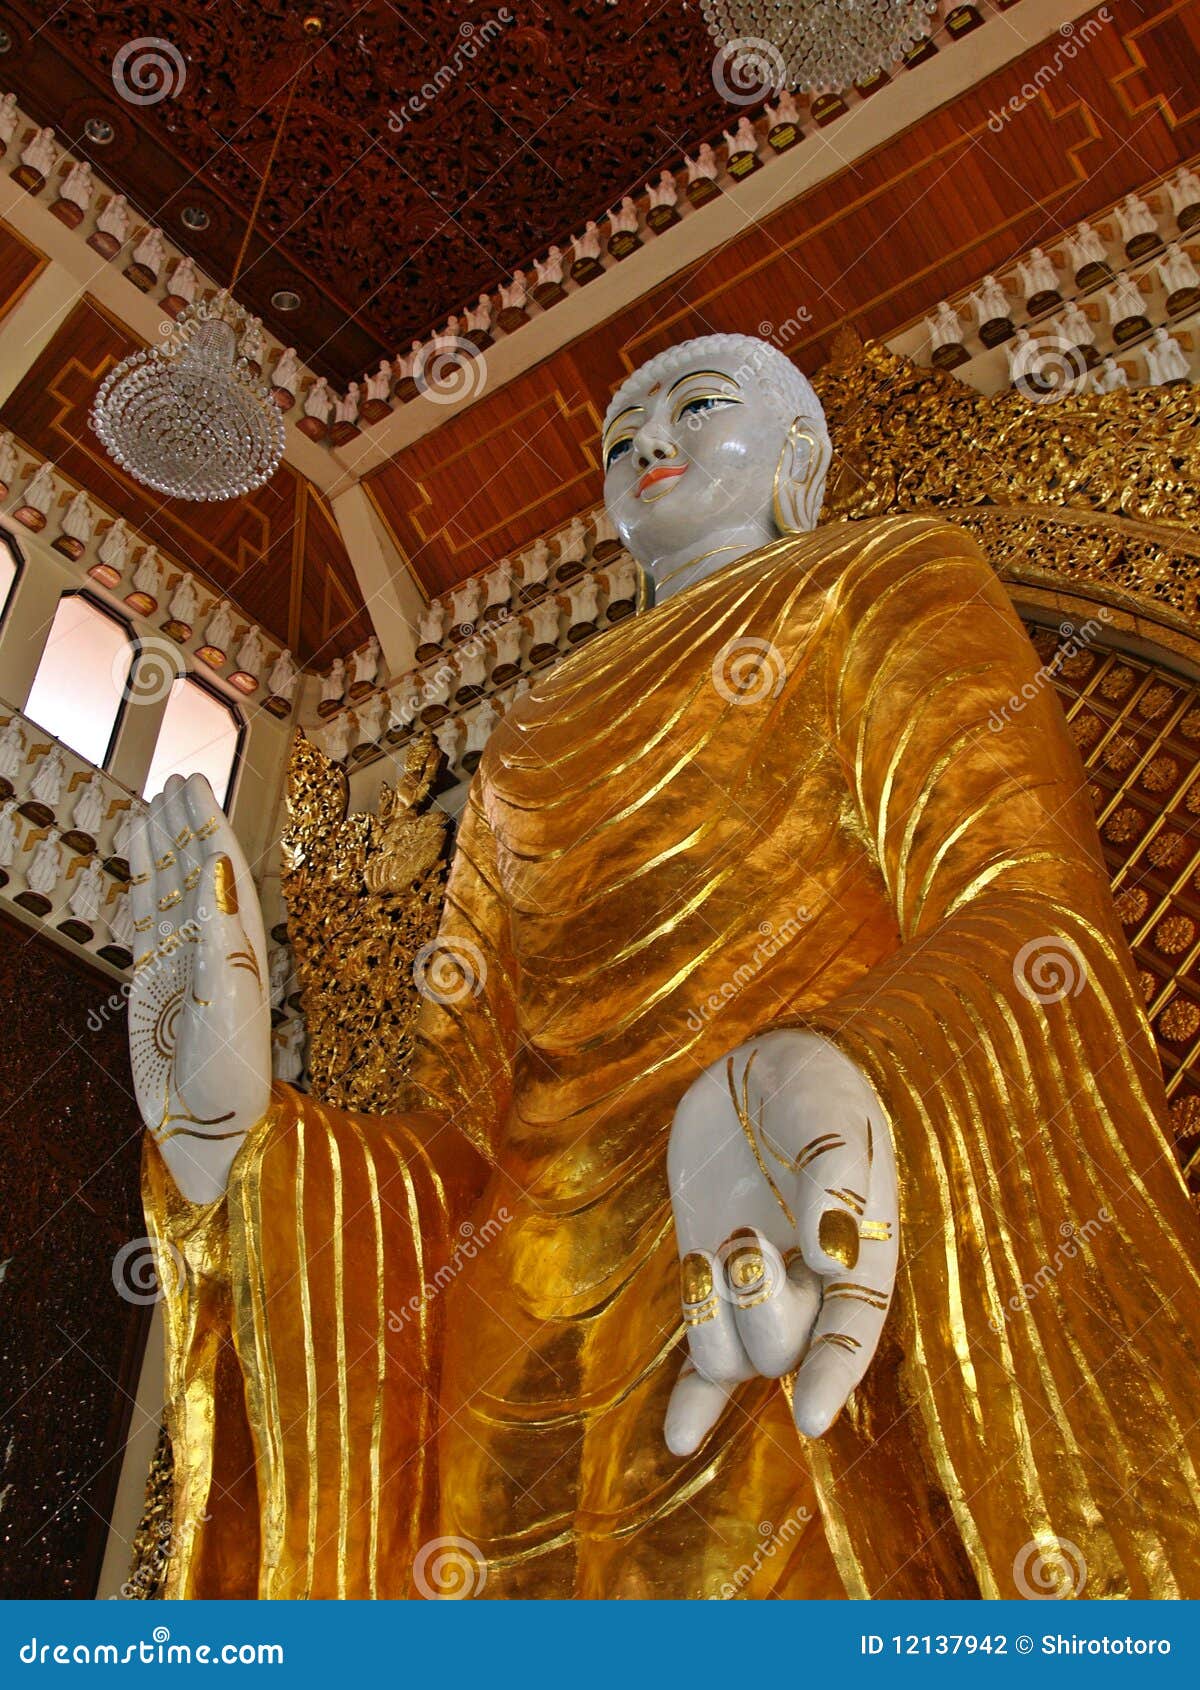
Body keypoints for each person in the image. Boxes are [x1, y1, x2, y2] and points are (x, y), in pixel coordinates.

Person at [131, 334, 1200, 1601]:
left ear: (800, 461)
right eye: (620, 435)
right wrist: (245, 1144)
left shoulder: (881, 576)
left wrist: (838, 1068)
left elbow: (1025, 911)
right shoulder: (523, 741)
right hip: (513, 1306)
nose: (649, 442)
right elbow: (459, 1126)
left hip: (774, 1203)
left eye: (698, 405)